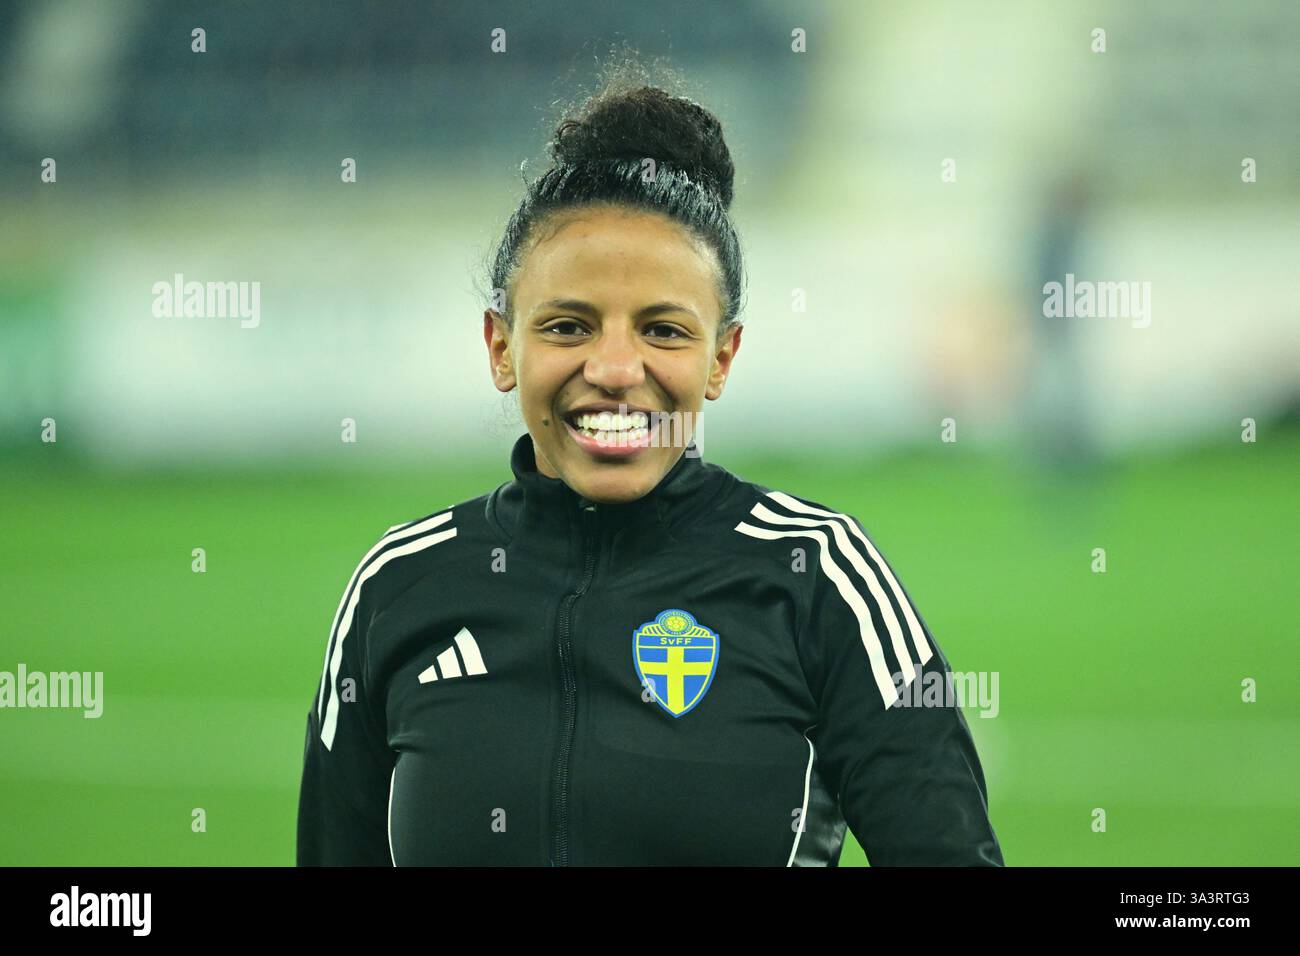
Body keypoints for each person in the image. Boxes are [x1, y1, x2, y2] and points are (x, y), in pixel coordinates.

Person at [297, 74, 1004, 866]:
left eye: (664, 330)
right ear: (502, 347)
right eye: (568, 325)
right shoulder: (398, 586)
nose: (614, 367)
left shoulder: (818, 576)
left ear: (720, 359)